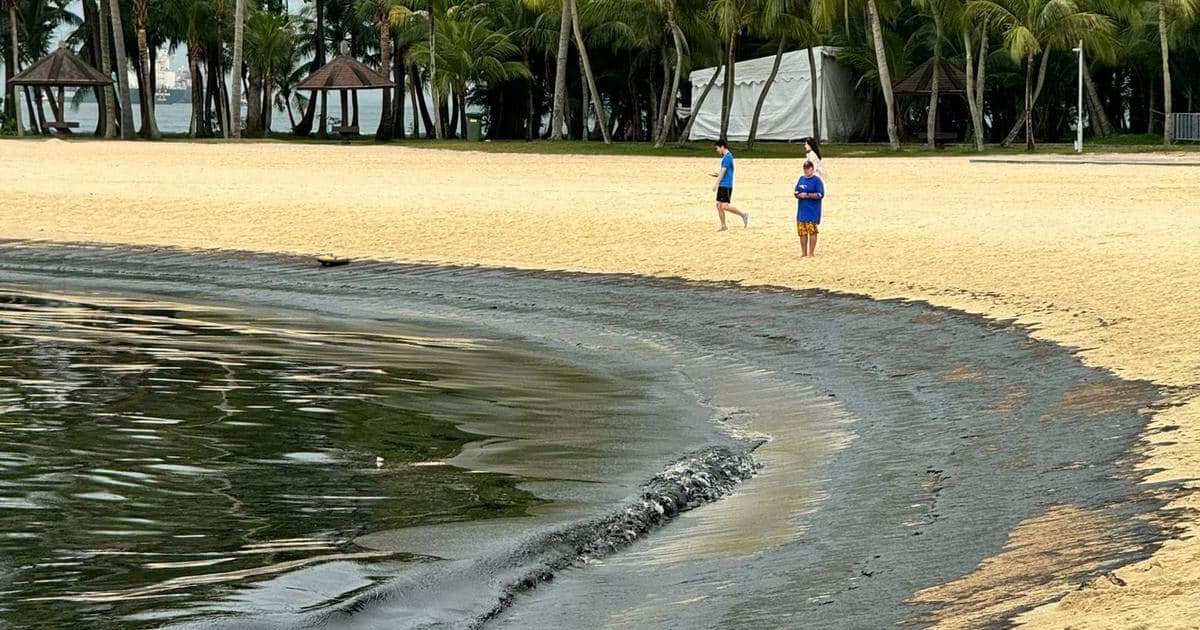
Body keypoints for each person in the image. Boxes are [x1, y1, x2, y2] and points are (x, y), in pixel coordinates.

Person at [710, 140, 749, 232]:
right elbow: (723, 172)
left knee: (724, 206)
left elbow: (723, 172)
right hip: (723, 183)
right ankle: (723, 226)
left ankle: (743, 215)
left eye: (717, 148)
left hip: (726, 185)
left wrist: (716, 184)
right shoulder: (726, 157)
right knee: (718, 205)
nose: (717, 150)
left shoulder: (727, 157)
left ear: (722, 147)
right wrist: (717, 175)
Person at [794, 160, 825, 258]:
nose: (806, 170)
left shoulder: (817, 181)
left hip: (812, 211)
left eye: (808, 168)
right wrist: (798, 195)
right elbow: (796, 191)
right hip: (802, 211)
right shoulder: (801, 179)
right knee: (802, 233)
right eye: (805, 168)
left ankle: (811, 253)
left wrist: (808, 195)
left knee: (812, 231)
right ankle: (804, 253)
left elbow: (820, 194)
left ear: (812, 169)